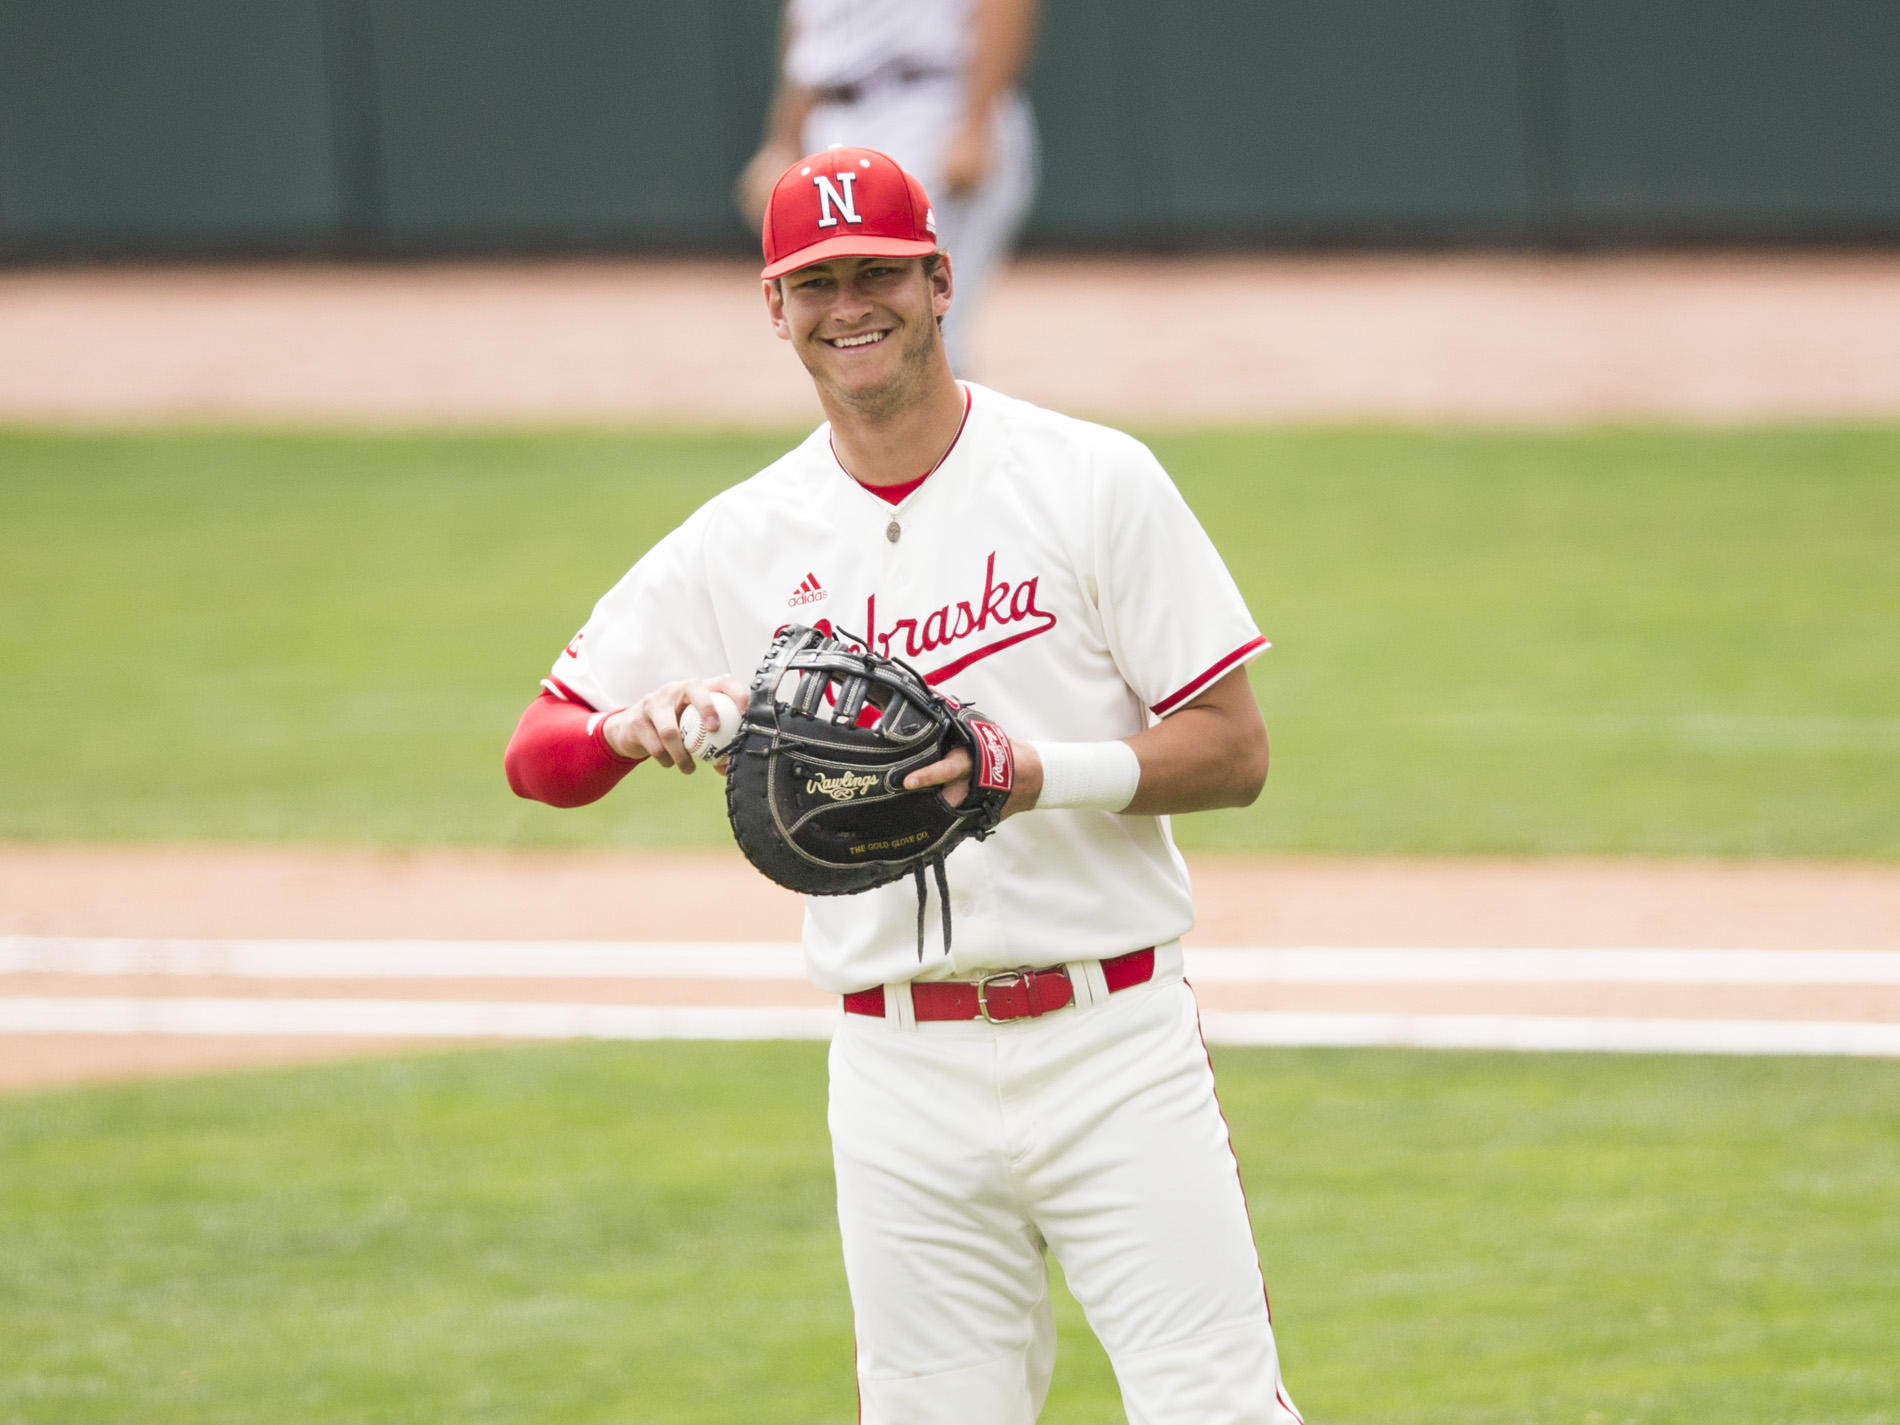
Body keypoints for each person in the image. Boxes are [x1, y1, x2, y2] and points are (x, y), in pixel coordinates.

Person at [504, 147, 1303, 1425]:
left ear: (939, 280)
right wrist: (628, 724)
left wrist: (1028, 774)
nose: (847, 304)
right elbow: (536, 758)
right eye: (812, 281)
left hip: (1114, 1047)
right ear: (775, 307)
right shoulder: (742, 536)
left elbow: (1232, 750)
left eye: (877, 271)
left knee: (1212, 1411)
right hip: (893, 1073)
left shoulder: (1090, 479)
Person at [732, 0, 1040, 373]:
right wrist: (785, 139)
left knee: (927, 333)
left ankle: (950, 431)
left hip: (932, 107)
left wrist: (974, 124)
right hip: (833, 115)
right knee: (852, 329)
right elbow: (811, 30)